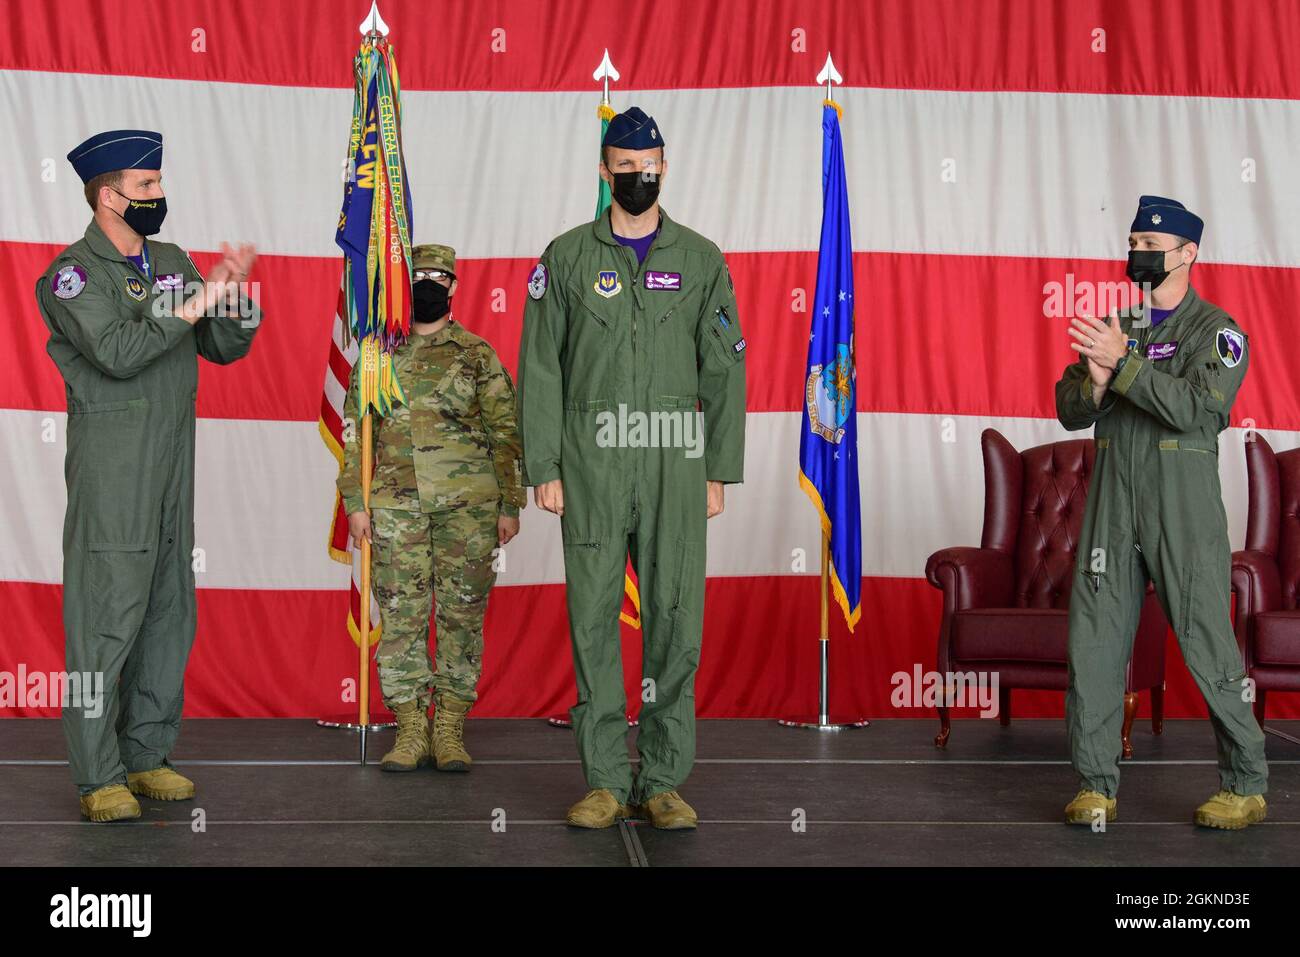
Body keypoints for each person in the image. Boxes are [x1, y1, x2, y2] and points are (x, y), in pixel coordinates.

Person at [516, 107, 747, 829]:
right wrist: (543, 464)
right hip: (591, 461)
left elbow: (726, 368)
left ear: (665, 168)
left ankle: (665, 777)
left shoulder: (702, 258)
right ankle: (606, 778)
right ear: (604, 170)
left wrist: (717, 468)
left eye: (648, 167)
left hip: (676, 459)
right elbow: (541, 368)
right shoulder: (566, 257)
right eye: (623, 166)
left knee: (676, 616)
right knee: (591, 618)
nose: (636, 177)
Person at [34, 129, 261, 822]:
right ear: (108, 197)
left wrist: (235, 295)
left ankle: (146, 752)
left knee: (168, 609)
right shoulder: (73, 274)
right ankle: (98, 773)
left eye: (158, 184)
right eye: (145, 187)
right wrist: (194, 302)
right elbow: (118, 350)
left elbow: (222, 346)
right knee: (107, 617)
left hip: (171, 463)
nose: (159, 197)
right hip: (114, 470)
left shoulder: (170, 260)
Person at [1056, 195, 1268, 829]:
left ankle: (1245, 784)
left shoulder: (1219, 333)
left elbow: (1198, 410)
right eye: (1134, 243)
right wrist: (1094, 380)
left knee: (1207, 643)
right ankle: (1095, 784)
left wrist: (1122, 366)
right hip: (1112, 510)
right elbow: (1069, 405)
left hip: (1184, 512)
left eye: (1152, 247)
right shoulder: (1119, 325)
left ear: (1187, 253)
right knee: (1092, 644)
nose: (1138, 255)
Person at [339, 244, 525, 772]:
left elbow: (506, 434)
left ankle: (449, 727)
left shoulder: (477, 354)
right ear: (402, 284)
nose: (427, 285)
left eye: (437, 277)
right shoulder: (377, 356)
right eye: (416, 276)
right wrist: (355, 501)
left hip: (469, 510)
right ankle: (410, 728)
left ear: (453, 287)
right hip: (395, 506)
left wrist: (511, 504)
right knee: (401, 617)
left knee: (462, 617)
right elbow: (356, 435)